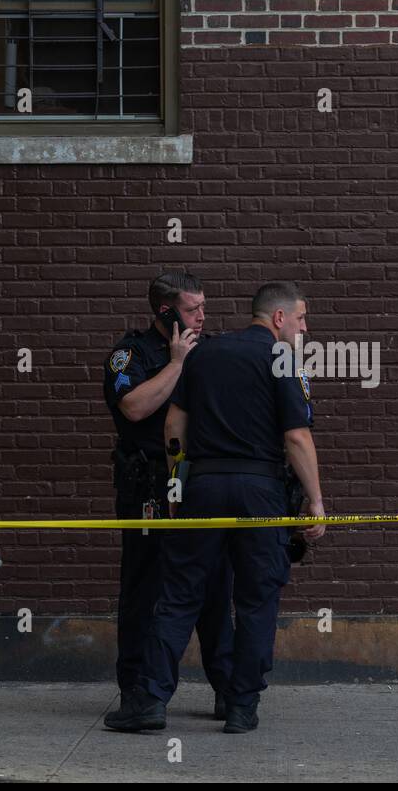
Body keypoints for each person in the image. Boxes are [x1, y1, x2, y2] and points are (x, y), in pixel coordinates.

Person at [106, 281, 326, 734]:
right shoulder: (282, 359)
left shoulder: (203, 355)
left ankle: (149, 701)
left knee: (178, 595)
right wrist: (316, 501)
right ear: (278, 318)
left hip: (203, 488)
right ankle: (240, 706)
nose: (305, 328)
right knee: (254, 599)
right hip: (260, 492)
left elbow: (174, 424)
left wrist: (176, 487)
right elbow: (297, 436)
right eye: (301, 318)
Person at [102, 272, 234, 725]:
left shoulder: (212, 351)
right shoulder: (131, 354)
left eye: (203, 307)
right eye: (193, 309)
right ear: (165, 311)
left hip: (200, 483)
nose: (202, 316)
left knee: (215, 585)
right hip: (150, 486)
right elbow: (135, 406)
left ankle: (228, 689)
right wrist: (177, 363)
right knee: (145, 587)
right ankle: (140, 693)